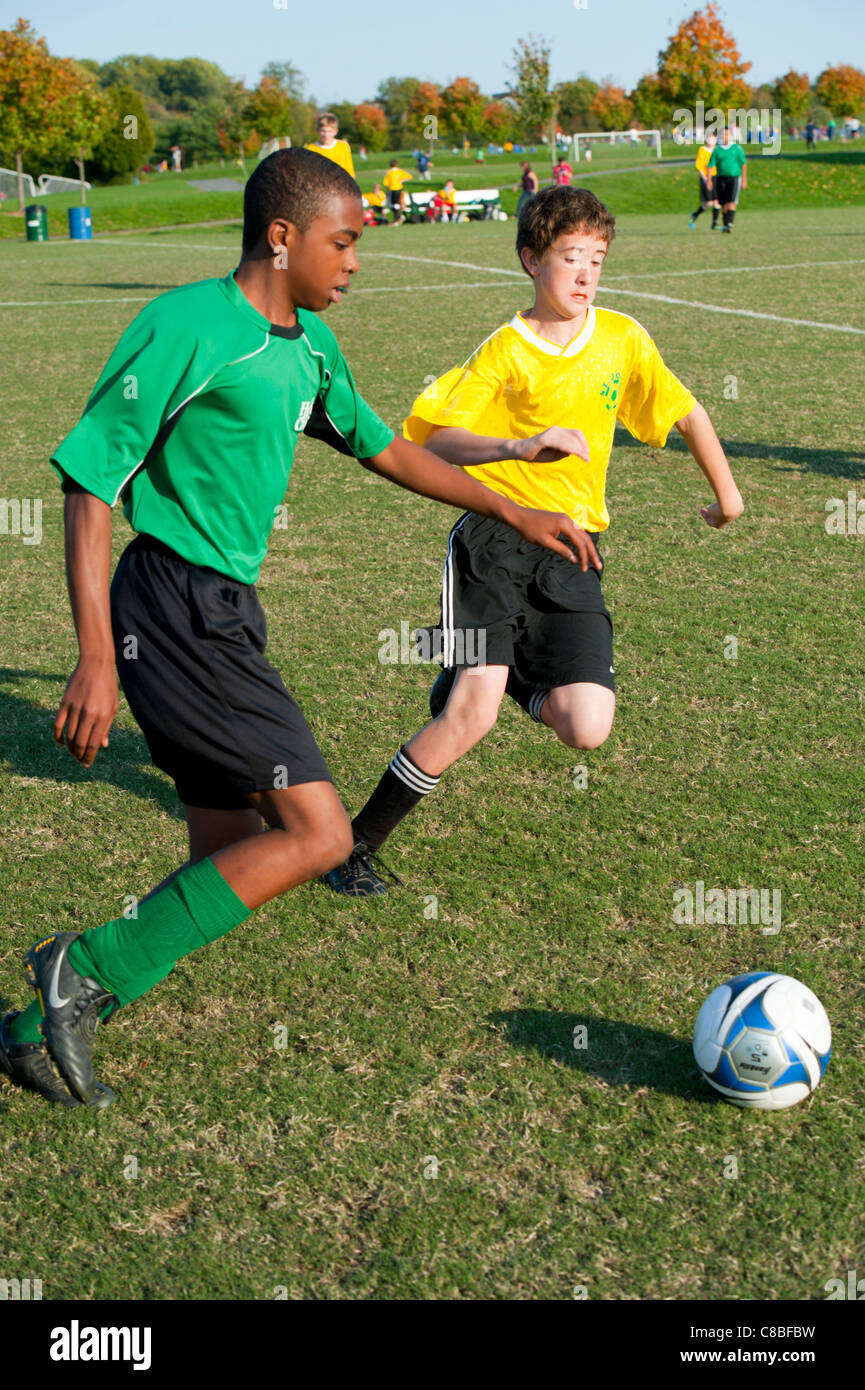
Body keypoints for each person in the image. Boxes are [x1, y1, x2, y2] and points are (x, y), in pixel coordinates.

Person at [0, 150, 597, 1109]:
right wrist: (95, 654)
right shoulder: (189, 325)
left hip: (226, 610)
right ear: (283, 238)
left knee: (227, 846)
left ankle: (35, 1031)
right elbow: (88, 480)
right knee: (317, 834)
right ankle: (79, 970)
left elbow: (388, 447)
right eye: (344, 241)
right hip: (171, 606)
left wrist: (515, 511)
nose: (356, 261)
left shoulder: (310, 346)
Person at [324, 184, 744, 896]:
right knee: (469, 716)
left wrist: (726, 494)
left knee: (587, 726)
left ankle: (504, 673)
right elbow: (434, 441)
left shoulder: (620, 337)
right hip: (492, 539)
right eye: (568, 257)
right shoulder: (504, 349)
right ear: (529, 260)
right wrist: (520, 446)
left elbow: (682, 408)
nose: (584, 274)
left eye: (595, 260)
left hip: (573, 549)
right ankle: (352, 847)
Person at [708, 124, 747, 232]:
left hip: (734, 178)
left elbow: (743, 164)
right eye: (723, 134)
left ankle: (729, 223)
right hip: (721, 179)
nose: (725, 136)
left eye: (727, 134)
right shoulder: (717, 150)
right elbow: (710, 165)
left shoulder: (736, 148)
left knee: (732, 200)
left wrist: (744, 180)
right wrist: (709, 180)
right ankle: (726, 224)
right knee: (723, 203)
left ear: (730, 135)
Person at [306, 112, 355, 178]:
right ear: (317, 130)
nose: (326, 135)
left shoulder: (343, 147)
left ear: (335, 131)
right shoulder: (311, 149)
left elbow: (350, 173)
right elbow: (309, 172)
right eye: (323, 131)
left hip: (340, 185)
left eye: (330, 131)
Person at [688, 130, 719, 230]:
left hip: (716, 177)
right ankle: (695, 215)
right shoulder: (702, 149)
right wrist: (705, 178)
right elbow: (699, 165)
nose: (711, 139)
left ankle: (715, 223)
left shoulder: (717, 150)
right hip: (706, 178)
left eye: (713, 137)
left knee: (717, 201)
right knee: (709, 203)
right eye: (709, 137)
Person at [383, 160, 414, 224]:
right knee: (399, 203)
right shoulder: (400, 171)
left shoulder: (389, 172)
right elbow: (410, 177)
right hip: (399, 189)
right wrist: (402, 180)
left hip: (393, 189)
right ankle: (402, 216)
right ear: (397, 164)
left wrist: (386, 191)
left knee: (394, 204)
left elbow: (386, 183)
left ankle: (397, 218)